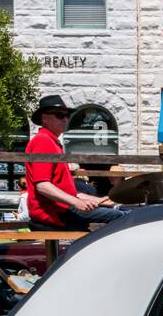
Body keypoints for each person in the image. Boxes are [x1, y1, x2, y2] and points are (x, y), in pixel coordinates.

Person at [25, 94, 127, 231]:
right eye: (59, 115)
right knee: (122, 216)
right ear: (44, 118)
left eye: (67, 115)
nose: (65, 119)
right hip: (55, 214)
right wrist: (77, 202)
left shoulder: (53, 142)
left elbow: (66, 190)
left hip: (62, 210)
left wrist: (96, 200)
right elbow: (42, 186)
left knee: (116, 211)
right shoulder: (42, 141)